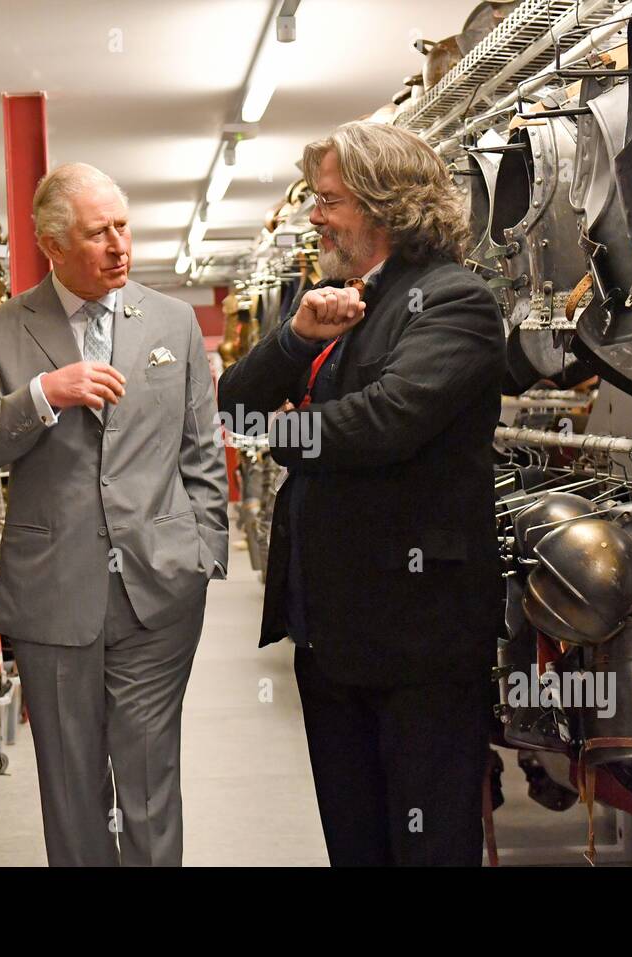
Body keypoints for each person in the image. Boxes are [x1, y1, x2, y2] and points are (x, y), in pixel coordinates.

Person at [216, 122, 505, 866]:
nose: (315, 215)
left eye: (329, 200)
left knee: (428, 847)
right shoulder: (342, 303)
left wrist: (288, 431)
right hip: (335, 632)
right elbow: (235, 406)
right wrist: (293, 340)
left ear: (385, 205)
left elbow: (388, 420)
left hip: (418, 638)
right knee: (357, 844)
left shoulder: (455, 301)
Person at [0, 163, 228, 866]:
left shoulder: (171, 322)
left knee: (150, 781)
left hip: (159, 591)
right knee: (71, 790)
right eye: (98, 234)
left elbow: (201, 448)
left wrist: (203, 550)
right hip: (54, 594)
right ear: (52, 245)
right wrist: (41, 393)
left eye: (122, 227)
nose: (119, 246)